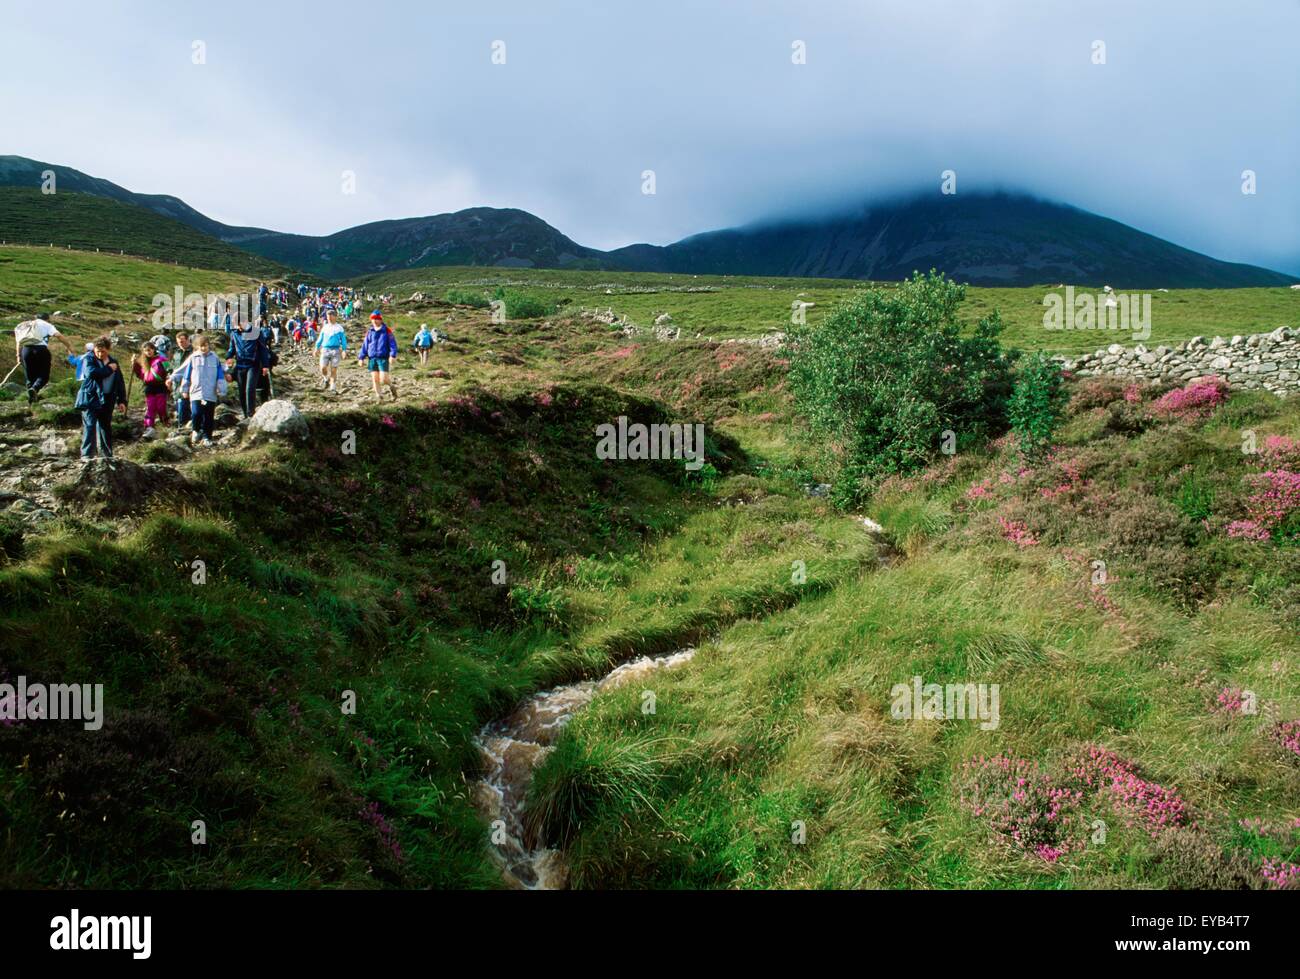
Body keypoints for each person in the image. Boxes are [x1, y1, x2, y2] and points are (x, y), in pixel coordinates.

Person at [77, 336, 128, 460]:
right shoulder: (88, 359)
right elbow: (92, 373)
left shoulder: (114, 361)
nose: (100, 354)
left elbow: (119, 382)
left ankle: (107, 454)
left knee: (105, 426)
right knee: (90, 425)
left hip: (108, 398)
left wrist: (121, 400)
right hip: (91, 397)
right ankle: (87, 455)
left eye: (103, 351)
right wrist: (109, 369)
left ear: (108, 350)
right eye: (97, 351)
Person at [175, 334, 227, 447]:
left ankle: (207, 437)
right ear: (197, 347)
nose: (203, 348)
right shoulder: (193, 358)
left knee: (208, 415)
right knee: (196, 413)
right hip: (196, 391)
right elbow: (187, 374)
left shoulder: (215, 358)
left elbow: (220, 374)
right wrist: (184, 389)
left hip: (210, 392)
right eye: (201, 346)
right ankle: (196, 430)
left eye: (206, 346)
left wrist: (221, 388)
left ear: (209, 346)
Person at [13, 314, 74, 405]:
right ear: (47, 319)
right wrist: (69, 346)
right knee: (44, 375)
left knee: (30, 376)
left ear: (36, 318)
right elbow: (58, 335)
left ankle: (32, 399)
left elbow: (18, 341)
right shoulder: (46, 324)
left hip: (26, 350)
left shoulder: (25, 325)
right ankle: (35, 389)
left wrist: (18, 355)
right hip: (40, 350)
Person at [225, 319, 270, 418]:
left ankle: (250, 414)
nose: (238, 327)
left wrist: (265, 365)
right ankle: (245, 414)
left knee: (250, 389)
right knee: (242, 391)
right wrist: (228, 357)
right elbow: (232, 348)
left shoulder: (256, 332)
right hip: (240, 365)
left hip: (253, 365)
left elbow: (263, 349)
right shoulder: (234, 333)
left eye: (239, 324)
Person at [358, 311, 399, 401]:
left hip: (383, 357)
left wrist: (392, 355)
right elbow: (365, 345)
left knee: (384, 379)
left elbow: (392, 344)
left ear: (380, 319)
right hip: (372, 358)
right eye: (373, 319)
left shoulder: (387, 331)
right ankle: (379, 397)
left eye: (376, 319)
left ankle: (392, 387)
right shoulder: (370, 331)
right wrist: (361, 357)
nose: (374, 321)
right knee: (375, 378)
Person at [132, 342, 169, 430]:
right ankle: (149, 426)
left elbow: (169, 370)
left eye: (149, 350)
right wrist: (134, 364)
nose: (148, 352)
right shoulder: (143, 362)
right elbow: (140, 374)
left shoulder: (162, 360)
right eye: (145, 351)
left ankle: (164, 422)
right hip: (149, 387)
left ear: (153, 349)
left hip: (161, 386)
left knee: (161, 406)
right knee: (150, 407)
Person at [314, 311, 348, 392]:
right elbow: (320, 338)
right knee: (323, 368)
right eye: (327, 316)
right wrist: (316, 348)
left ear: (335, 316)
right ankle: (326, 379)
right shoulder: (325, 327)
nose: (328, 318)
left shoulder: (339, 328)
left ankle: (333, 386)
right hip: (325, 349)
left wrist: (344, 350)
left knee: (333, 369)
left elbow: (343, 340)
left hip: (335, 350)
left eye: (330, 316)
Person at [166, 331, 194, 428]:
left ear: (188, 340)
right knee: (178, 403)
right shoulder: (176, 352)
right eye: (178, 342)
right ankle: (181, 425)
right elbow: (172, 366)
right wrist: (169, 376)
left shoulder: (193, 352)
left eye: (182, 341)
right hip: (176, 383)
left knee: (186, 403)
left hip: (191, 382)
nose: (180, 344)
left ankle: (188, 424)